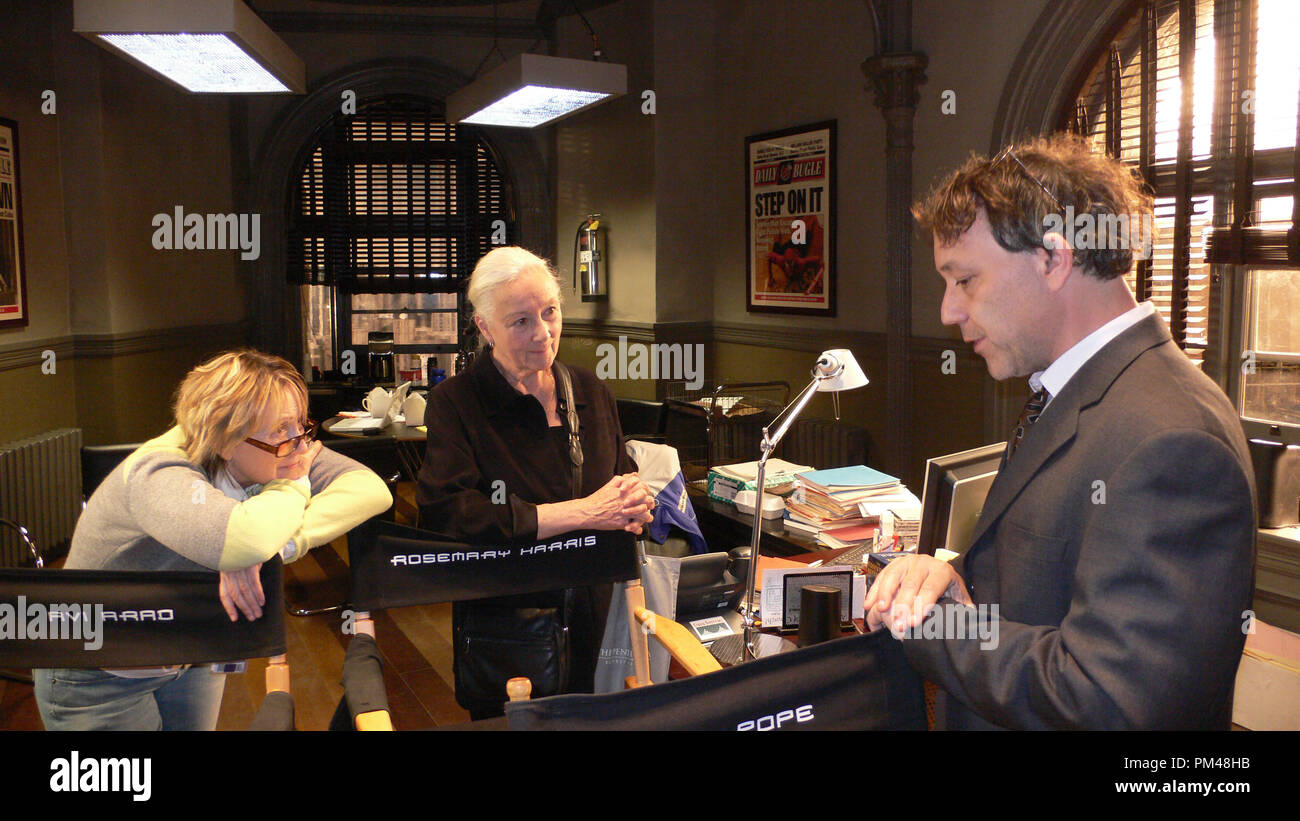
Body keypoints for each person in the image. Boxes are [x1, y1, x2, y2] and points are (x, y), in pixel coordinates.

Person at [864, 134, 1256, 729]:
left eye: (964, 279)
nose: (948, 310)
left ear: (1053, 258)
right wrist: (951, 579)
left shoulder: (1172, 441)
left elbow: (1106, 698)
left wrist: (929, 626)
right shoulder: (1074, 389)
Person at [34, 349, 392, 730]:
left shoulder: (280, 449)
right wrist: (290, 490)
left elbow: (370, 489)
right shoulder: (160, 473)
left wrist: (277, 543)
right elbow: (248, 538)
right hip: (99, 672)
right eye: (280, 429)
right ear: (225, 439)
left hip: (193, 651)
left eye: (301, 424)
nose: (301, 444)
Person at [416, 246, 654, 719]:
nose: (543, 333)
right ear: (485, 327)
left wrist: (635, 498)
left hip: (602, 617)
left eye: (550, 312)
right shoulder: (456, 403)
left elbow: (619, 476)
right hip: (513, 628)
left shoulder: (589, 390)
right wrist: (583, 513)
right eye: (520, 321)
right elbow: (450, 514)